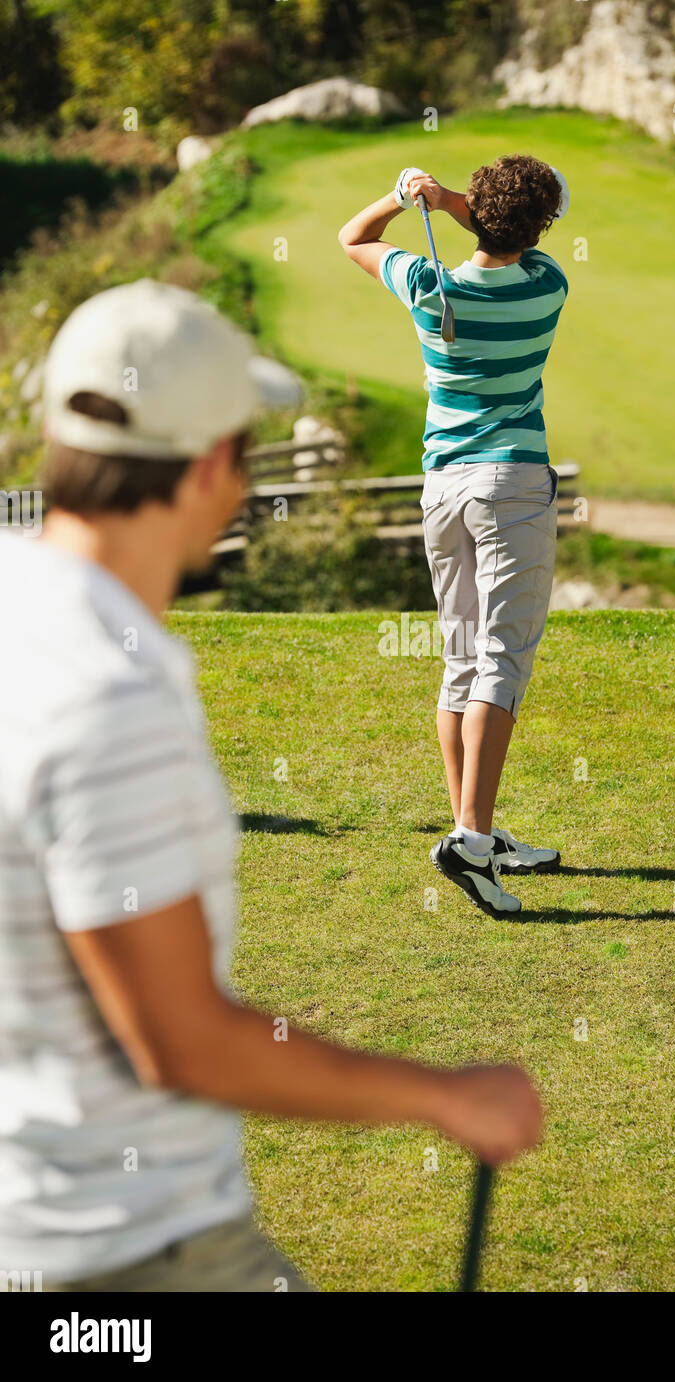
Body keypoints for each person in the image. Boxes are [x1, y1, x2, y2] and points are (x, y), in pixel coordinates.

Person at [0, 280, 542, 1293]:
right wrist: (443, 1096)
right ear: (209, 465)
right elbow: (183, 1041)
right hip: (132, 1249)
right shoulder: (109, 695)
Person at [338, 156, 570, 918]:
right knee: (499, 663)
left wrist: (412, 199)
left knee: (462, 658)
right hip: (512, 487)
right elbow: (506, 230)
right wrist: (459, 203)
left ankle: (475, 835)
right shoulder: (545, 286)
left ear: (472, 205)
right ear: (536, 227)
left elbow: (353, 236)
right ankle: (470, 837)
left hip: (442, 488)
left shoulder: (425, 284)